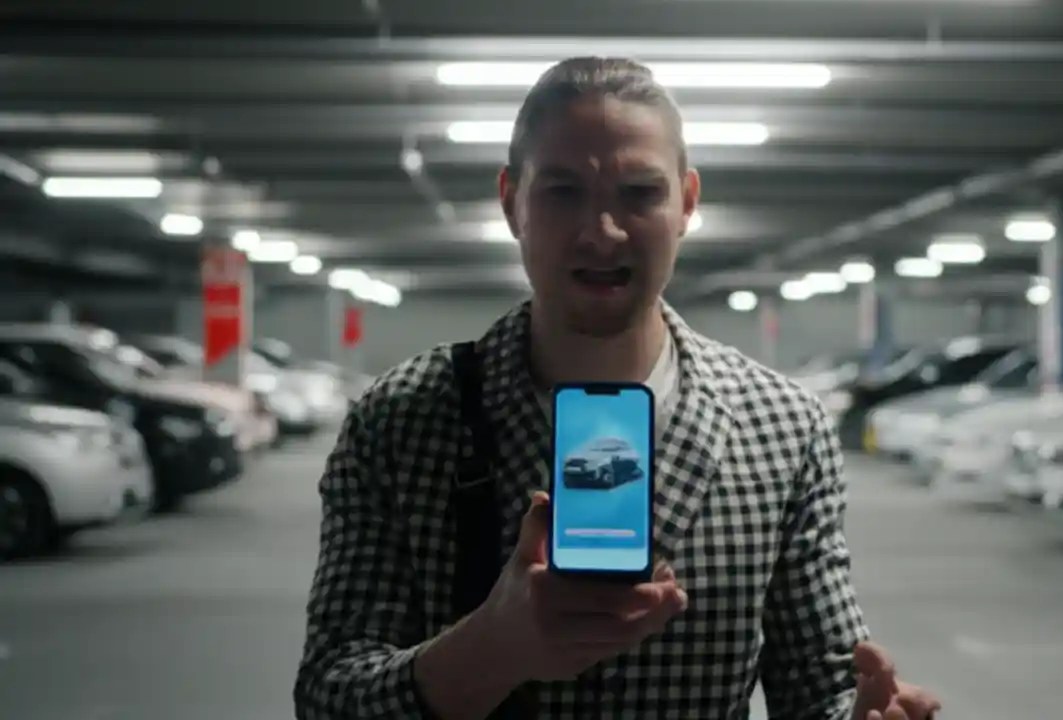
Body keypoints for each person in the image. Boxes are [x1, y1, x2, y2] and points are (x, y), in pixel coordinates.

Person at [294, 56, 941, 720]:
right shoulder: (402, 420)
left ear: (687, 203)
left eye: (639, 193)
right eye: (563, 191)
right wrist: (494, 647)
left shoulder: (781, 428)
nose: (602, 233)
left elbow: (819, 687)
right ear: (510, 201)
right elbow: (330, 696)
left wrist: (863, 713)